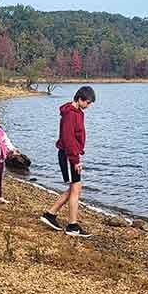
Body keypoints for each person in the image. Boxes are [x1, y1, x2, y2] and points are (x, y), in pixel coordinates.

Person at [40, 86, 96, 236]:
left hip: (71, 154)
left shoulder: (77, 112)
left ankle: (51, 214)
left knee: (75, 187)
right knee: (76, 188)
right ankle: (72, 226)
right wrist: (76, 159)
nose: (89, 106)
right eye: (88, 102)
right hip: (68, 155)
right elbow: (68, 139)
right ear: (80, 99)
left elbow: (76, 137)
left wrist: (78, 152)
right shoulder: (71, 114)